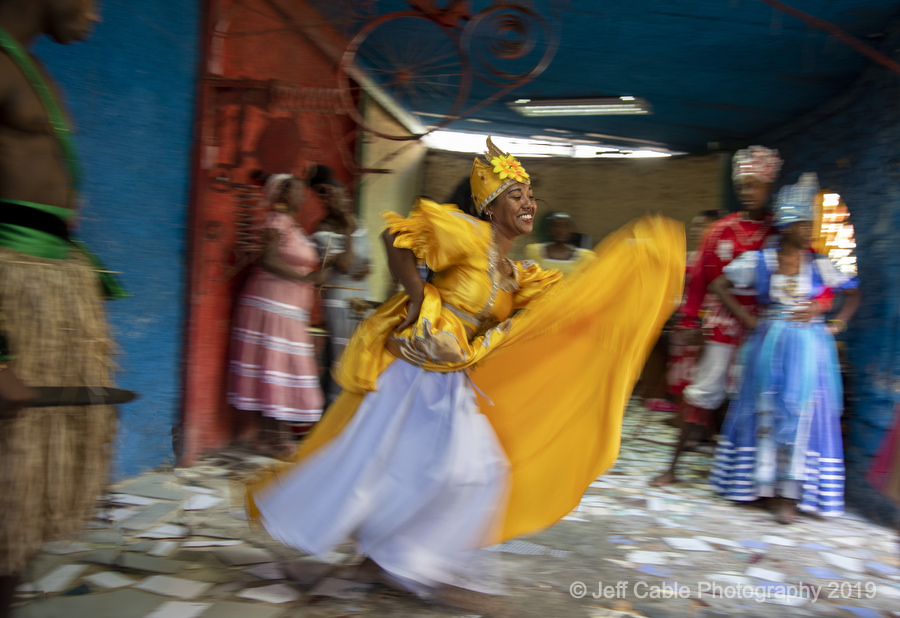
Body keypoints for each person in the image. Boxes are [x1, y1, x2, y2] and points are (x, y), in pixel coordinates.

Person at [246, 136, 684, 608]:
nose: (529, 202)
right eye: (517, 194)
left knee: (449, 473)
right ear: (490, 205)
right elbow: (395, 238)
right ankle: (400, 562)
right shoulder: (467, 235)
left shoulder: (516, 273)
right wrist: (417, 296)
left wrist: (628, 273)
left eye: (530, 194)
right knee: (425, 472)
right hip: (414, 375)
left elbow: (566, 310)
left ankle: (390, 561)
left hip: (449, 379)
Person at [0, 2, 124, 616]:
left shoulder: (35, 70)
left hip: (49, 282)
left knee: (18, 481)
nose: (96, 14)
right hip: (10, 289)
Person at [710, 173, 860, 524]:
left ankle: (789, 496)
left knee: (801, 414)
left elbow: (853, 294)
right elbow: (719, 284)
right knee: (764, 408)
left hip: (809, 351)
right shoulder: (760, 261)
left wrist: (836, 323)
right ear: (787, 224)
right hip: (767, 345)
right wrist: (746, 318)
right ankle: (756, 487)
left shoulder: (820, 265)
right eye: (803, 224)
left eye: (813, 225)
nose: (809, 231)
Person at [651, 146, 781, 487]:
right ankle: (673, 467)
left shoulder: (779, 233)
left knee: (751, 395)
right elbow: (699, 284)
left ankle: (740, 474)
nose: (748, 193)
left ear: (769, 187)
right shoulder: (720, 230)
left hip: (764, 326)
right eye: (742, 187)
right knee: (703, 390)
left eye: (754, 185)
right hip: (723, 323)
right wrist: (691, 321)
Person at [228, 172, 329, 458]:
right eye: (297, 191)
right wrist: (309, 278)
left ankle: (270, 436)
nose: (303, 196)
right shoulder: (274, 222)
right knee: (274, 369)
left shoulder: (292, 226)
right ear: (283, 195)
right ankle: (271, 437)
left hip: (289, 309)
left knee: (279, 369)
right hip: (271, 306)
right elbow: (268, 259)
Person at [309, 165, 373, 406]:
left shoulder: (358, 223)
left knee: (362, 355)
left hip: (363, 298)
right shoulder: (322, 228)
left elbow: (367, 265)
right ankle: (337, 409)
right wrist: (347, 234)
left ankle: (356, 408)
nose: (342, 202)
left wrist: (359, 262)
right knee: (342, 356)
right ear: (326, 202)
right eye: (336, 198)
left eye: (344, 196)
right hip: (339, 300)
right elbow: (346, 266)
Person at [524, 211, 595, 277]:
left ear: (571, 230)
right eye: (556, 225)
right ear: (550, 229)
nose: (560, 229)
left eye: (565, 226)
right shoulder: (536, 252)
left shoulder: (584, 257)